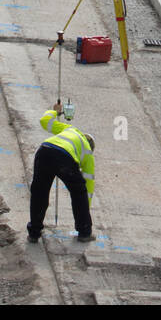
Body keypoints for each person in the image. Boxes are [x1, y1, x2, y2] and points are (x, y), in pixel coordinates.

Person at [27, 102, 96, 243]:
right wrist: (85, 209)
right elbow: (87, 189)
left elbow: (45, 121)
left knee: (39, 192)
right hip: (64, 157)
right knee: (79, 192)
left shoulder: (70, 129)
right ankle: (84, 232)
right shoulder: (88, 153)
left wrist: (55, 111)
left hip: (44, 150)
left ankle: (34, 232)